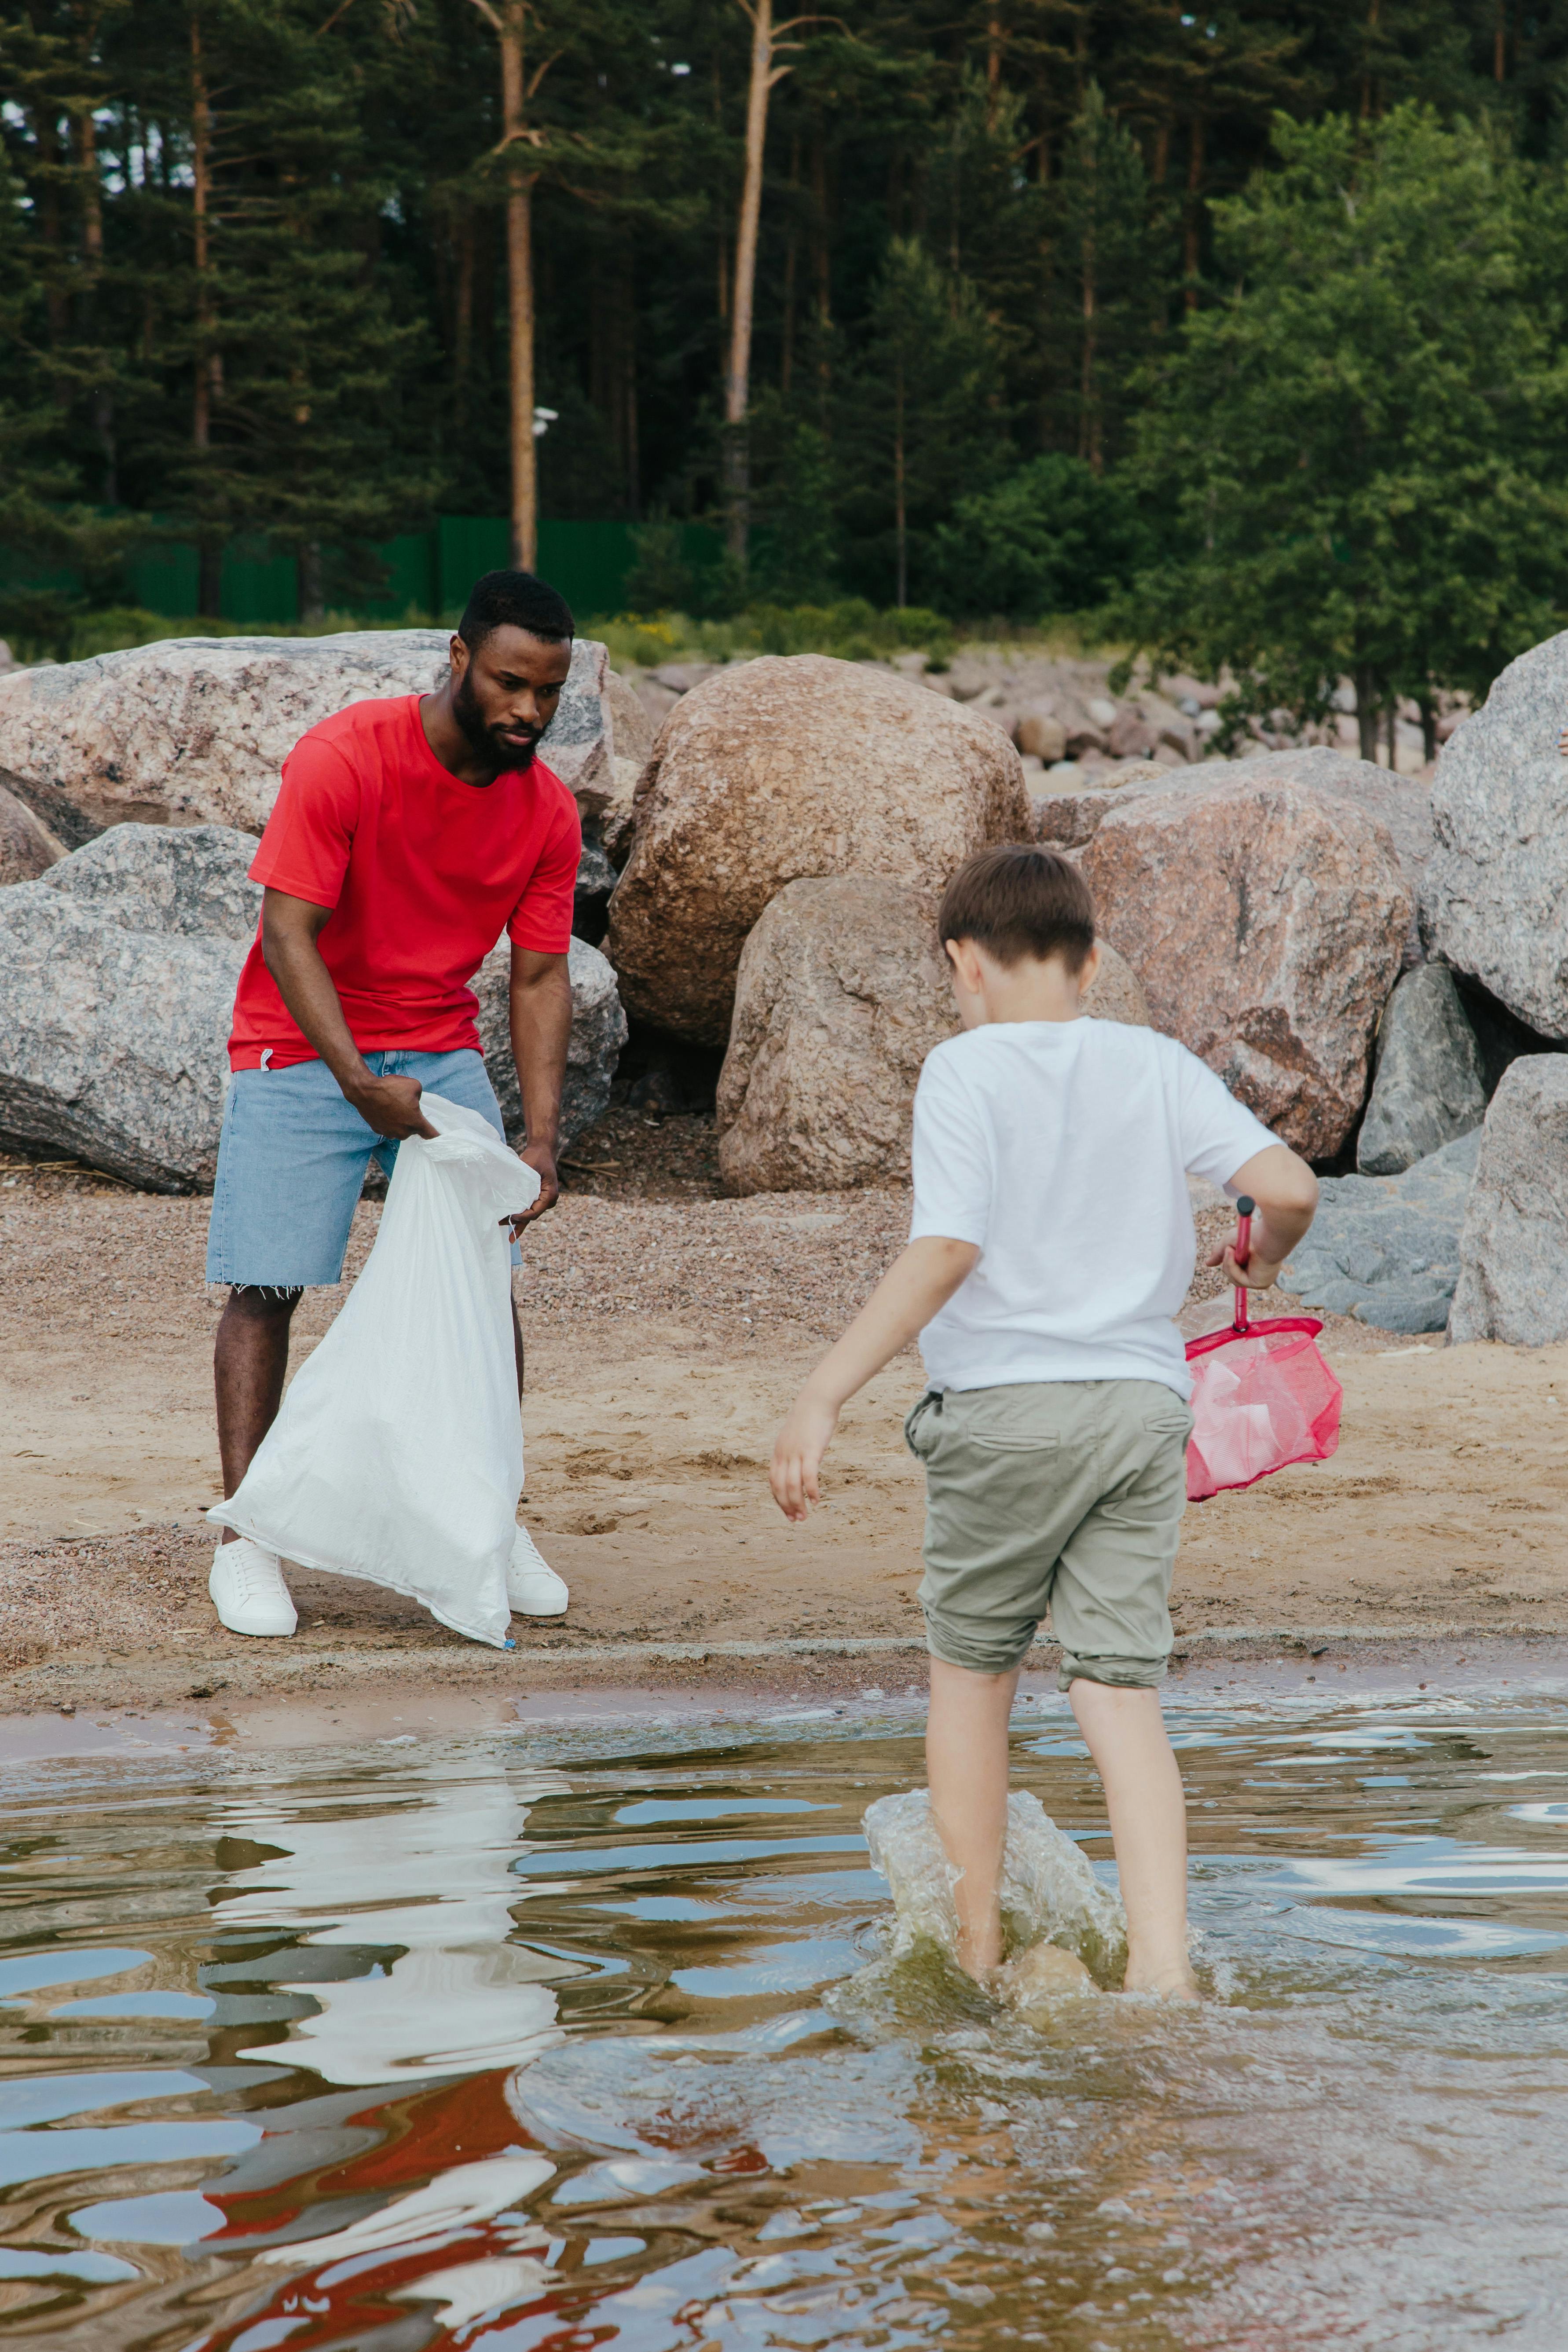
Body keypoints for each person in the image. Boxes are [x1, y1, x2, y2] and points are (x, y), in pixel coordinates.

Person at [769, 845, 1319, 2000]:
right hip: (1137, 1409)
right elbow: (1288, 1189)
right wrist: (1253, 1255)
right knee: (1120, 1694)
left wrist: (824, 1390)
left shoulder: (962, 1073)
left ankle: (973, 1957)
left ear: (962, 964)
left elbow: (948, 1245)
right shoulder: (1154, 1064)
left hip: (1003, 1415)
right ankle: (1163, 1975)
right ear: (1088, 962)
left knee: (971, 1677)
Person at [205, 568, 583, 1639]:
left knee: (482, 1284)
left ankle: (485, 1519)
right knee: (269, 1287)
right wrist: (358, 1083)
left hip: (439, 1044)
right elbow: (289, 935)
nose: (527, 712)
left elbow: (541, 976)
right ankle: (248, 1540)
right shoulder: (347, 756)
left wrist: (542, 1139)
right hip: (297, 1038)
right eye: (511, 683)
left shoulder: (546, 810)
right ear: (459, 659)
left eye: (549, 694)